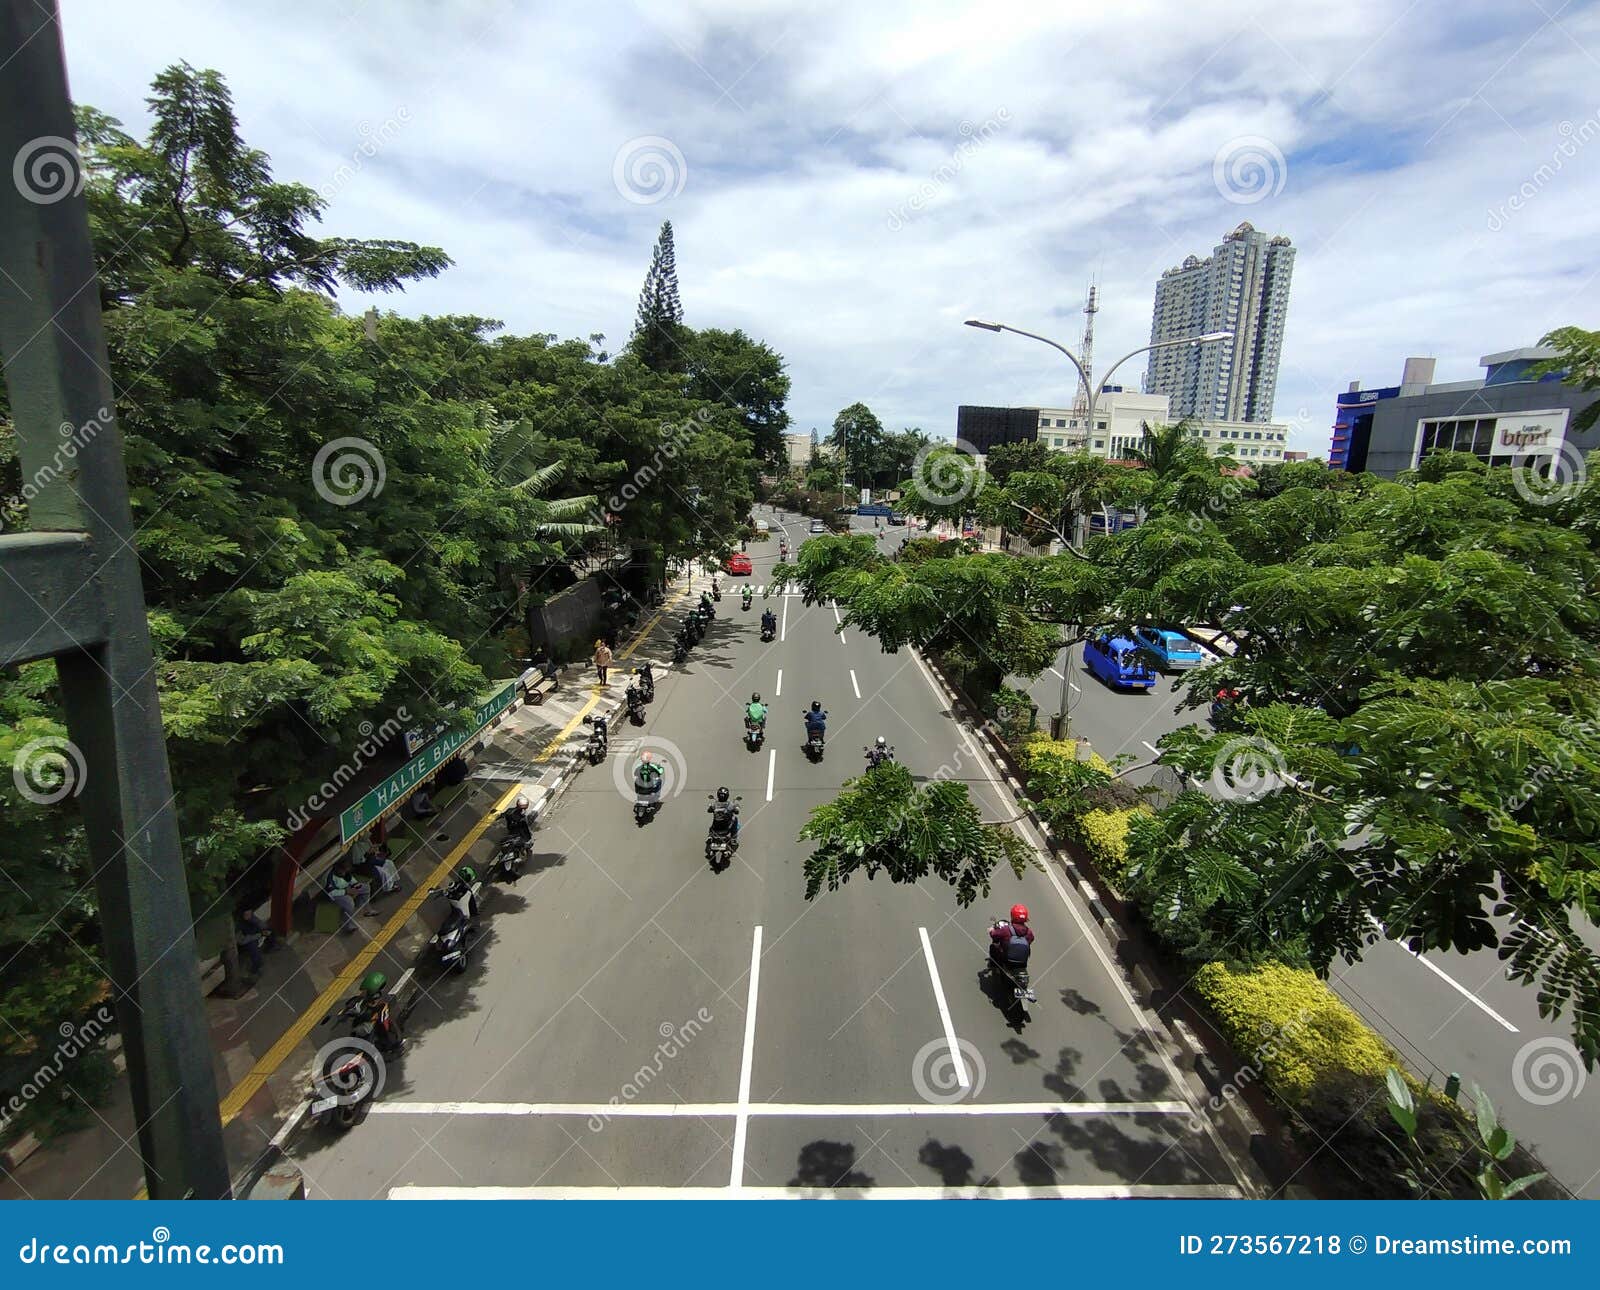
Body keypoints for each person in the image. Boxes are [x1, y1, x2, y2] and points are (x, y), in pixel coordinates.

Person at [326, 857, 370, 935]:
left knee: (366, 887)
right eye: (343, 870)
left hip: (347, 889)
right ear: (338, 868)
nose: (344, 872)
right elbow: (331, 893)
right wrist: (346, 891)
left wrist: (356, 888)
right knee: (349, 902)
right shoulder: (330, 876)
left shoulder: (346, 873)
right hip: (337, 894)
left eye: (346, 870)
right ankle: (347, 925)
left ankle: (361, 908)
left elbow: (353, 881)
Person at [989, 903, 1035, 969]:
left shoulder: (1006, 929)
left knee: (993, 946)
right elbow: (1031, 939)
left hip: (1006, 960)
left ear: (1012, 915)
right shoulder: (1029, 932)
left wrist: (991, 930)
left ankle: (993, 965)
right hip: (1022, 963)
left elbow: (994, 935)